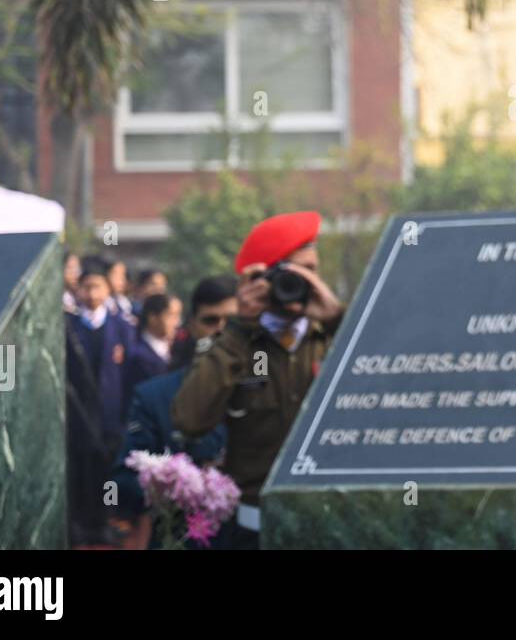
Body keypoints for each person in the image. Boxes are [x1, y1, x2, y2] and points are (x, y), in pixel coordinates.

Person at [172, 212, 343, 548]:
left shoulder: (335, 336)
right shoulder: (234, 344)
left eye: (311, 271)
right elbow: (189, 420)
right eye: (290, 274)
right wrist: (238, 330)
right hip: (255, 532)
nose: (302, 283)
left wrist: (339, 320)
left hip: (334, 524)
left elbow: (395, 387)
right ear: (259, 279)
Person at [110, 275, 237, 549]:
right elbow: (122, 481)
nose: (220, 331)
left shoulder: (261, 391)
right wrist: (176, 481)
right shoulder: (154, 396)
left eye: (231, 322)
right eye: (210, 321)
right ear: (192, 326)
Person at [66, 254, 137, 546]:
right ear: (78, 290)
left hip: (112, 412)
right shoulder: (68, 325)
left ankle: (108, 519)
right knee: (83, 467)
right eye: (86, 287)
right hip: (80, 412)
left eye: (98, 287)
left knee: (109, 467)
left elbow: (131, 371)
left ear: (109, 290)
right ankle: (85, 522)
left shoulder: (123, 326)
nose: (92, 294)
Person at [125, 291, 182, 395]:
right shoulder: (138, 355)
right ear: (153, 318)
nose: (177, 323)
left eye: (178, 316)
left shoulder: (176, 350)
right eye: (172, 315)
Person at [107, 260, 137, 326]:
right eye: (116, 274)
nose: (121, 279)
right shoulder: (100, 302)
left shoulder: (126, 303)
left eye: (123, 274)